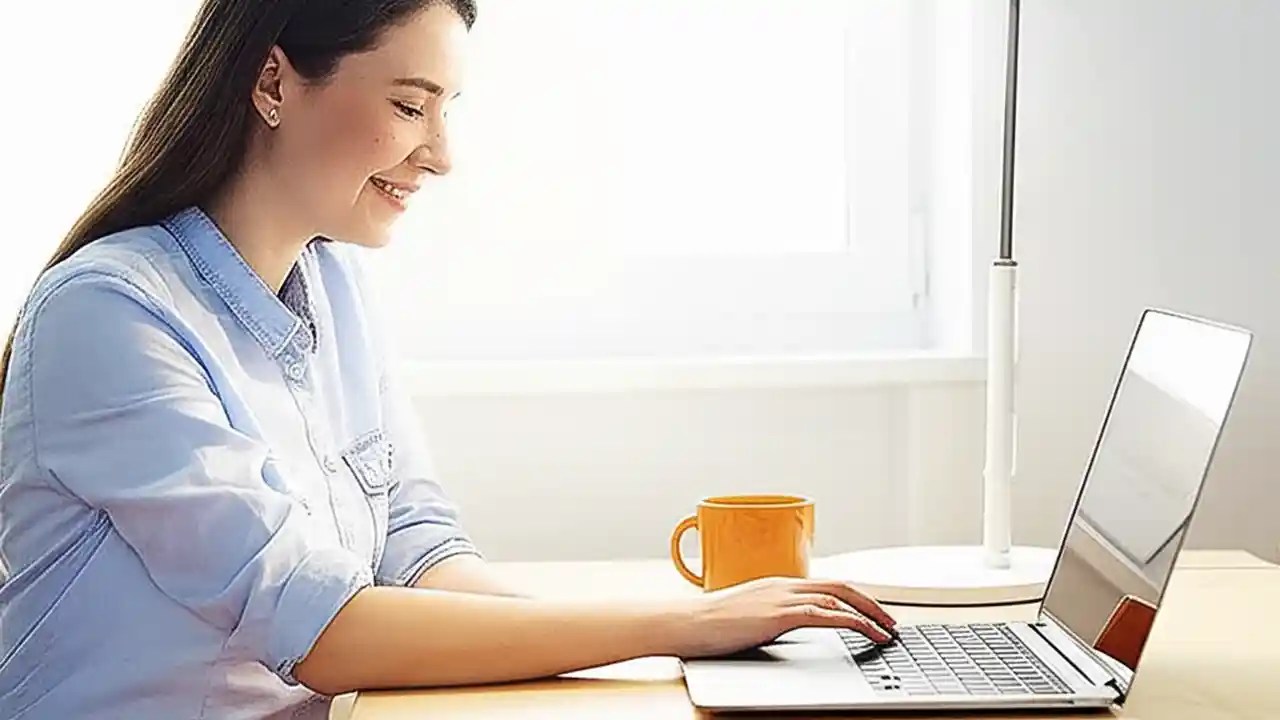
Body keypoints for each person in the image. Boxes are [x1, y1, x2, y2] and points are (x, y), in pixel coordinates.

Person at [0, 1, 896, 717]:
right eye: (407, 104)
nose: (441, 155)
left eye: (445, 109)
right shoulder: (109, 315)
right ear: (272, 80)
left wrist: (659, 642)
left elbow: (415, 545)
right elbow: (320, 630)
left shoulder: (334, 286)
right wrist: (681, 624)